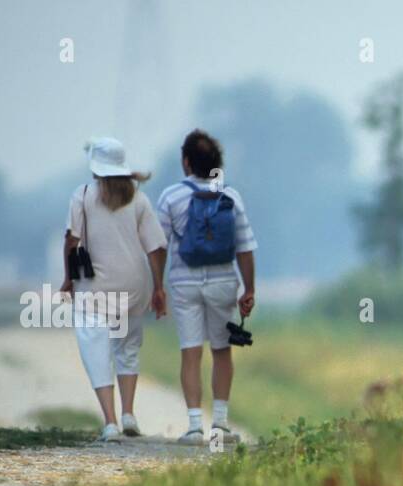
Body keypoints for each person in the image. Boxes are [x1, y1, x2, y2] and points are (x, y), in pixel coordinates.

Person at [61, 137, 167, 441]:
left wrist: (69, 279)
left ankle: (110, 423)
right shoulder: (140, 200)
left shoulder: (82, 195)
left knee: (96, 349)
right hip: (135, 286)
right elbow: (157, 247)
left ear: (96, 167)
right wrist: (158, 288)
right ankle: (129, 413)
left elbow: (71, 240)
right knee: (128, 348)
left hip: (96, 288)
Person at [155, 129, 257, 445]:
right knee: (222, 351)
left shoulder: (170, 197)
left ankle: (195, 426)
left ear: (186, 162)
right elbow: (245, 247)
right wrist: (248, 288)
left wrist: (157, 286)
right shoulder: (231, 196)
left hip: (184, 282)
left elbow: (159, 246)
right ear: (216, 164)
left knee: (190, 352)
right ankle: (222, 426)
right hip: (223, 282)